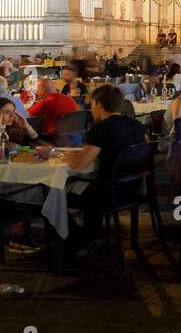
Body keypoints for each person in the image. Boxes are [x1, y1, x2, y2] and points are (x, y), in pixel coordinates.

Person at [63, 85, 148, 247]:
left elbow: (80, 164)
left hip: (109, 192)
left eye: (92, 104)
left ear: (99, 104)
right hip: (135, 188)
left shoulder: (101, 129)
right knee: (89, 185)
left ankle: (76, 240)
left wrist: (60, 155)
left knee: (55, 194)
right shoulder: (137, 125)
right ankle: (92, 235)